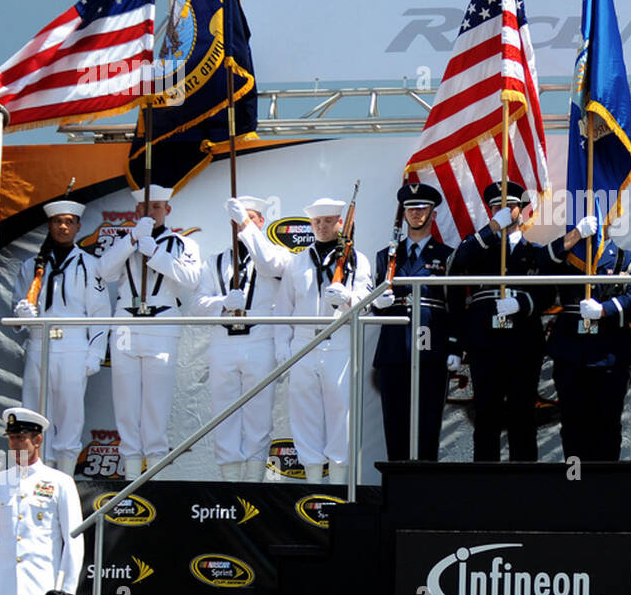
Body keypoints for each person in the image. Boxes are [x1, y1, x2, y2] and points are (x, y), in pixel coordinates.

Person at [448, 182, 591, 462]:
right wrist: (491, 230)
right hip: (485, 339)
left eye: (509, 206)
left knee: (522, 410)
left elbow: (549, 289)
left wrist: (522, 304)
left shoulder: (533, 250)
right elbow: (456, 262)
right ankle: (485, 480)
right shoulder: (479, 247)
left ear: (521, 212)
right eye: (495, 208)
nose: (502, 211)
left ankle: (524, 481)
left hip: (523, 339)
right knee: (486, 411)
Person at [97, 186, 201, 480]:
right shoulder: (121, 241)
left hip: (162, 322)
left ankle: (156, 476)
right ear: (136, 212)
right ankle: (131, 473)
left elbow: (192, 280)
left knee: (158, 402)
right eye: (144, 207)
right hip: (127, 324)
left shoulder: (182, 244)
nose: (150, 212)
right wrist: (131, 239)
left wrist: (155, 253)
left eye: (156, 207)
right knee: (125, 401)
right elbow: (104, 272)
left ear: (167, 210)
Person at [272, 197, 373, 484]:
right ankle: (312, 483)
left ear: (340, 223)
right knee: (304, 414)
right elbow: (283, 310)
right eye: (317, 222)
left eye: (328, 221)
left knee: (342, 413)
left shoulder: (356, 259)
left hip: (338, 341)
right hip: (303, 344)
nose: (322, 227)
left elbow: (367, 302)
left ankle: (338, 485)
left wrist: (348, 299)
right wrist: (282, 346)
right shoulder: (297, 262)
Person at [194, 196, 293, 482]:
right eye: (236, 220)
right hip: (224, 342)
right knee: (224, 414)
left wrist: (247, 226)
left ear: (261, 221)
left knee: (258, 414)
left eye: (249, 218)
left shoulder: (275, 254)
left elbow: (268, 263)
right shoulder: (215, 261)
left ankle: (254, 482)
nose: (239, 225)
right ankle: (230, 482)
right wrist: (223, 302)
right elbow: (197, 305)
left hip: (260, 342)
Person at [10, 199, 111, 473]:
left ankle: (64, 478)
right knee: (35, 412)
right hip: (39, 344)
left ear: (78, 226)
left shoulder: (90, 265)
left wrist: (95, 353)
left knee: (69, 417)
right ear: (50, 225)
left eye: (68, 221)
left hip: (73, 346)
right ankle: (35, 475)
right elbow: (17, 312)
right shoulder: (32, 265)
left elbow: (101, 314)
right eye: (57, 221)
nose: (63, 227)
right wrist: (22, 315)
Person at [370, 182, 460, 462]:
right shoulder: (387, 256)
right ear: (404, 213)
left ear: (433, 213)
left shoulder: (447, 256)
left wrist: (456, 347)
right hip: (394, 350)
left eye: (422, 208)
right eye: (411, 208)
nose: (416, 213)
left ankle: (424, 494)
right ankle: (397, 493)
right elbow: (378, 305)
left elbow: (455, 305)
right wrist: (377, 304)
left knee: (428, 426)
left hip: (431, 350)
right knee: (395, 426)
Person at [546, 226, 631, 462]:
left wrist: (605, 309)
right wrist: (572, 238)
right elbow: (542, 264)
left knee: (607, 423)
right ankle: (576, 483)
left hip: (609, 354)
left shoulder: (628, 260)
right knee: (572, 424)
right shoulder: (567, 257)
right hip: (570, 353)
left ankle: (605, 487)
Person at [0, 409, 84, 595]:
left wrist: (67, 589)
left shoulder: (60, 482)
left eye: (21, 438)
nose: (15, 444)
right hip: (2, 585)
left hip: (42, 585)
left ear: (37, 440)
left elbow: (73, 539)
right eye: (11, 438)